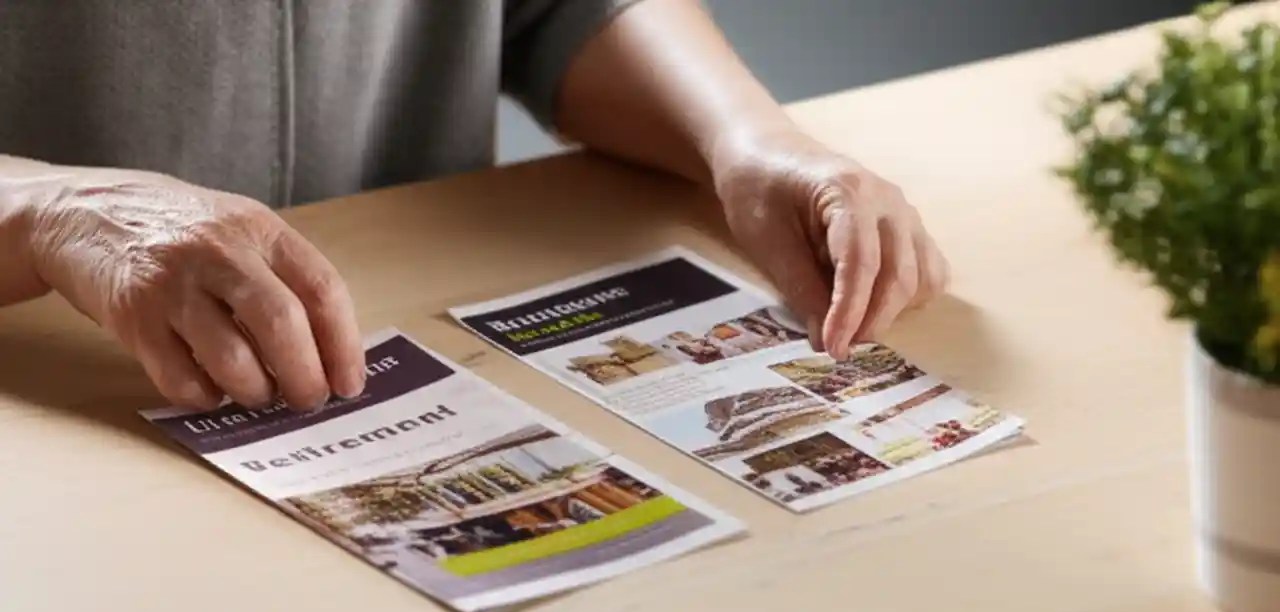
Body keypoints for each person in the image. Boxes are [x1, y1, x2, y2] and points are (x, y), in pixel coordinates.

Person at [0, 0, 949, 411]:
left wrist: (744, 139)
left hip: (400, 344)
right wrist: (53, 209)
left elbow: (546, 10)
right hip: (60, 394)